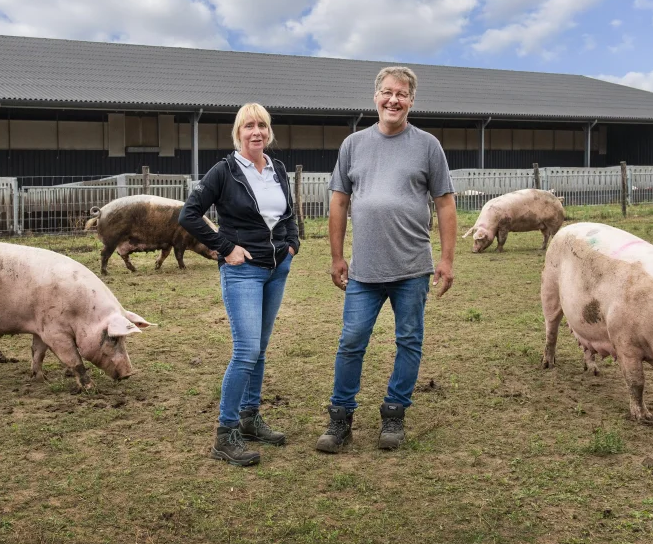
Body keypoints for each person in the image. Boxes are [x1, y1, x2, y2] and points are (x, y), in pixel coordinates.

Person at [316, 66, 457, 453]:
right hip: (364, 268)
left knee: (408, 340)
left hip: (412, 267)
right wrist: (336, 255)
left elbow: (445, 204)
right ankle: (340, 419)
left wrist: (446, 259)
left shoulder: (428, 145)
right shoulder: (353, 145)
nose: (394, 100)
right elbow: (339, 202)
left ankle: (394, 414)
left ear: (412, 100)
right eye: (388, 92)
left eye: (403, 94)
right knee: (351, 341)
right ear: (375, 96)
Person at [179, 102, 300, 467]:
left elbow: (288, 213)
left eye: (262, 125)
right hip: (243, 271)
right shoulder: (224, 171)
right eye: (249, 126)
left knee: (260, 349)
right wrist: (226, 247)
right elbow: (189, 214)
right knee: (246, 350)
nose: (256, 132)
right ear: (238, 132)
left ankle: (249, 417)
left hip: (277, 268)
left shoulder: (276, 168)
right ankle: (225, 432)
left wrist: (292, 242)